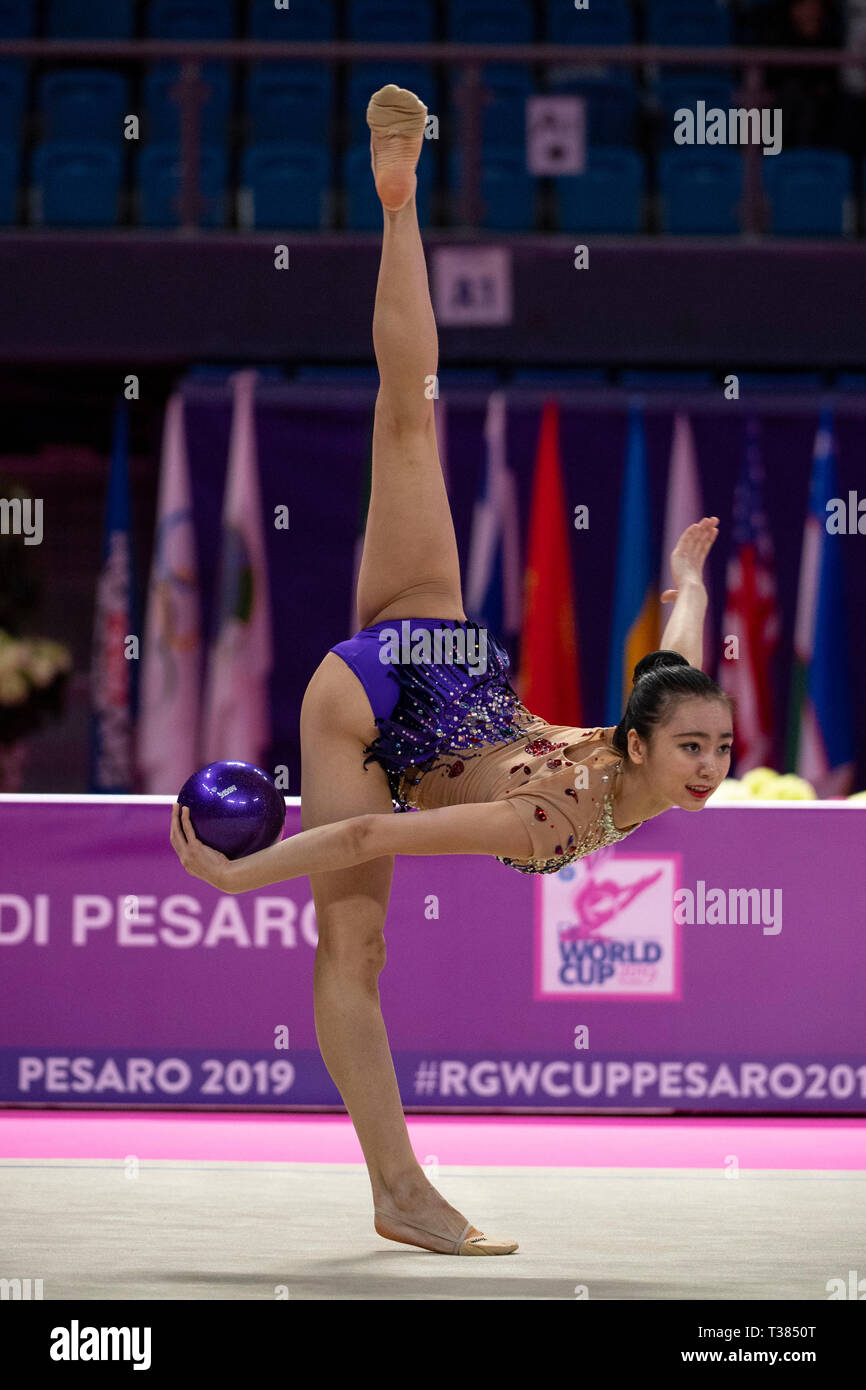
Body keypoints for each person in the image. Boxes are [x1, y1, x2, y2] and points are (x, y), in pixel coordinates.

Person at [170, 86, 734, 1257]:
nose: (711, 766)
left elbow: (676, 650)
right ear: (634, 747)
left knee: (406, 423)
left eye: (718, 748)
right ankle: (397, 199)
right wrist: (243, 879)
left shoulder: (644, 726)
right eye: (695, 748)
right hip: (373, 696)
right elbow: (370, 840)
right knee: (354, 943)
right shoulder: (542, 819)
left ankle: (394, 202)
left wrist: (684, 576)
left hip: (448, 662)